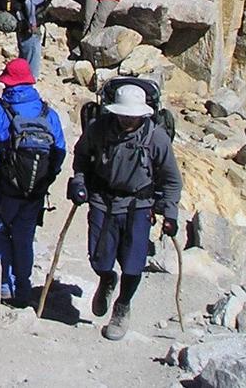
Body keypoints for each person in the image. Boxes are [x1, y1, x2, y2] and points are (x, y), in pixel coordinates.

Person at [68, 83, 182, 340]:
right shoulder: (99, 130)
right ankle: (107, 279)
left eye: (132, 115)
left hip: (138, 206)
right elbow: (82, 156)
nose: (127, 119)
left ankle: (122, 306)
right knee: (98, 258)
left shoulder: (156, 139)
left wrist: (170, 213)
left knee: (133, 265)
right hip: (102, 200)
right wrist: (78, 182)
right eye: (123, 114)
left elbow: (172, 180)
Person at [0, 58, 67, 307]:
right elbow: (59, 151)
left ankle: (4, 284)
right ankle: (24, 287)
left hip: (1, 186)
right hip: (34, 190)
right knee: (24, 236)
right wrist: (45, 177)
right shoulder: (48, 113)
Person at [3, 0, 46, 79]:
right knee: (32, 52)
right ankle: (30, 79)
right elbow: (30, 2)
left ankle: (21, 76)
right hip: (30, 24)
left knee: (23, 50)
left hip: (20, 20)